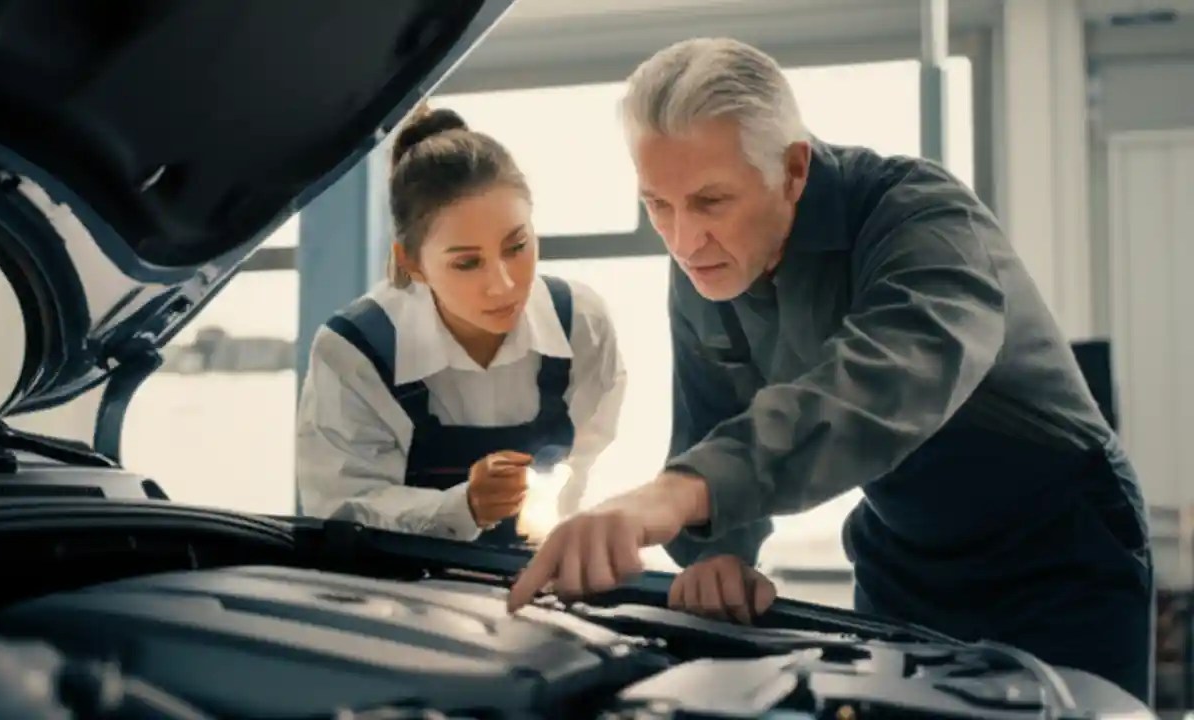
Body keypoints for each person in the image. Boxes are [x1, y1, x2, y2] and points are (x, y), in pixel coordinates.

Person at [507, 38, 1154, 702]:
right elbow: (712, 413)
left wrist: (671, 496)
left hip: (1058, 549)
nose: (682, 240)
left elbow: (879, 385)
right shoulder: (705, 265)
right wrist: (717, 556)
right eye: (657, 205)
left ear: (793, 170)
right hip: (902, 553)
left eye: (710, 202)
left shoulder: (924, 217)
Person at [296, 106, 626, 546]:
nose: (504, 284)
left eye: (518, 246)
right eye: (467, 263)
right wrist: (462, 507)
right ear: (412, 263)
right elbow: (340, 510)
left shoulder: (582, 325)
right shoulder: (355, 351)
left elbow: (577, 476)